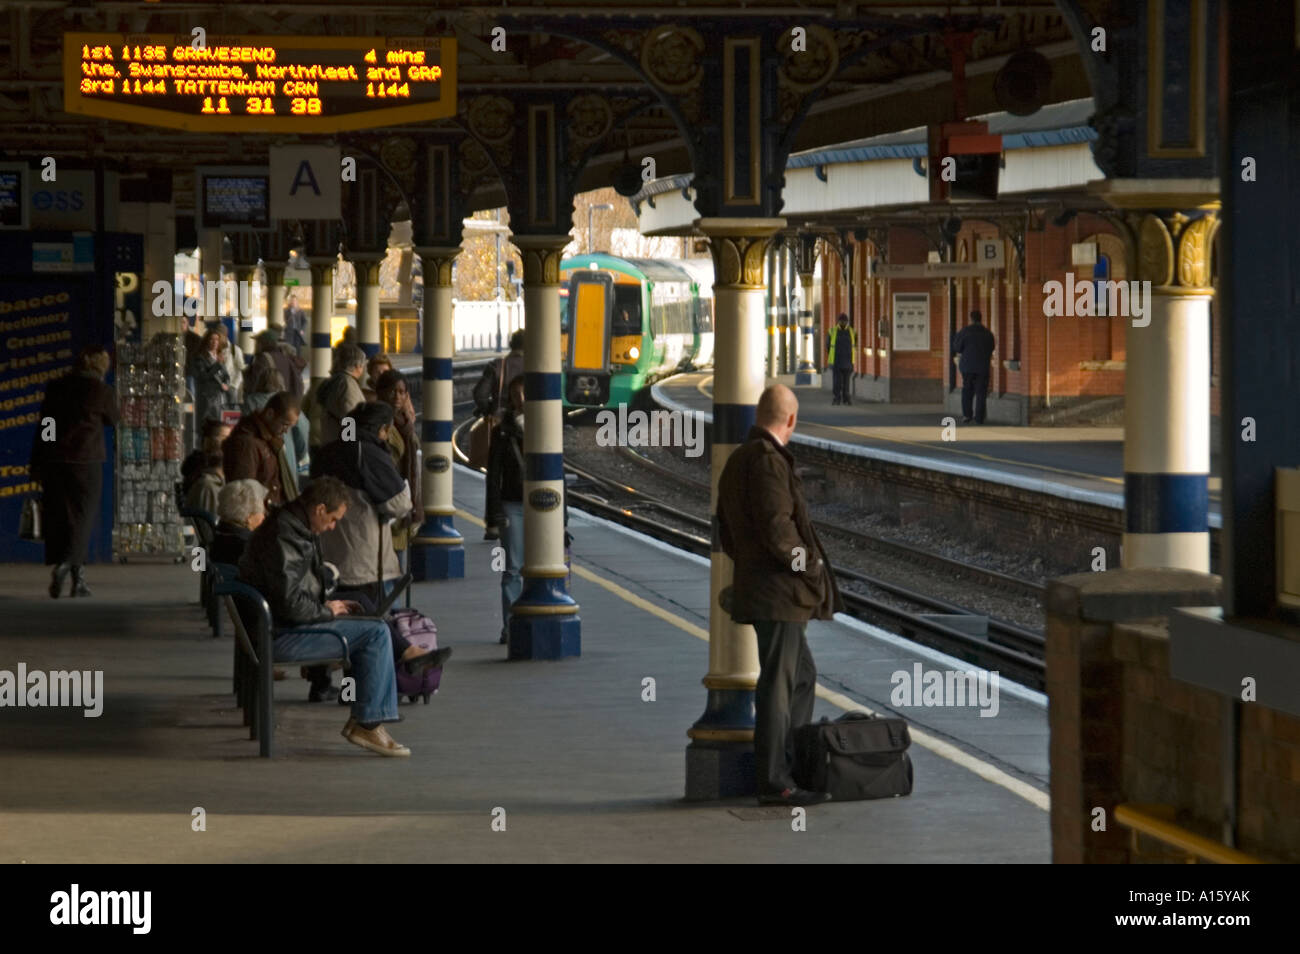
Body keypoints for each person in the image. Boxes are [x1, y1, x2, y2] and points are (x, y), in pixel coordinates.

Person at [716, 384, 843, 807]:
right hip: (780, 596)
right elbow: (778, 532)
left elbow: (727, 532)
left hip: (766, 591)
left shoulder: (738, 459)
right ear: (790, 420)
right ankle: (775, 781)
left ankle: (790, 762)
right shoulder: (768, 463)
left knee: (800, 676)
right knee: (777, 685)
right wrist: (807, 566)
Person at [236, 476, 411, 756]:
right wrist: (326, 611)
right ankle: (368, 723)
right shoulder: (286, 536)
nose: (332, 527)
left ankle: (368, 717)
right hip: (278, 635)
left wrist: (328, 604)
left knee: (370, 624)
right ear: (319, 509)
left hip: (269, 626)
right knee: (376, 633)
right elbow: (290, 604)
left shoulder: (290, 527)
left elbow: (288, 591)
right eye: (332, 519)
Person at [29, 346, 120, 599]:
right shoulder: (101, 391)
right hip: (86, 461)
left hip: (56, 460)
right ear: (101, 366)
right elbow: (114, 419)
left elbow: (46, 424)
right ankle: (67, 567)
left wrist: (42, 458)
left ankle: (77, 578)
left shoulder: (56, 387)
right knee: (83, 518)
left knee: (60, 516)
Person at [315, 401, 412, 608]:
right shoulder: (369, 454)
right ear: (382, 429)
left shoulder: (326, 452)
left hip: (329, 557)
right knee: (372, 621)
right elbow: (400, 504)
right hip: (364, 562)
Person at [485, 375, 526, 645]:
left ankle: (527, 619)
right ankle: (511, 626)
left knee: (540, 567)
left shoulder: (548, 425)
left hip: (543, 508)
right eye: (515, 395)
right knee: (512, 568)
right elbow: (493, 474)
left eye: (525, 393)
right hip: (512, 504)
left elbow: (558, 472)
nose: (520, 400)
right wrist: (494, 513)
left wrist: (563, 517)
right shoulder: (502, 431)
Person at [473, 329, 524, 541]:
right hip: (527, 424)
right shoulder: (538, 367)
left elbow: (479, 394)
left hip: (501, 424)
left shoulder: (498, 365)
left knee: (495, 474)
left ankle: (493, 523)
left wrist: (489, 411)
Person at [223, 392, 300, 506]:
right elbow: (244, 495)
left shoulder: (269, 441)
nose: (286, 431)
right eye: (284, 424)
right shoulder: (247, 444)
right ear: (270, 414)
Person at [374, 369, 421, 551]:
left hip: (403, 495)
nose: (397, 397)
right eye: (392, 391)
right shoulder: (375, 422)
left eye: (402, 392)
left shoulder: (406, 423)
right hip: (386, 497)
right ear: (381, 392)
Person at [306, 342, 366, 456]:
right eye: (362, 366)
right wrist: (351, 448)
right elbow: (350, 418)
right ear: (357, 366)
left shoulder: (333, 381)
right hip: (341, 449)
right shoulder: (347, 384)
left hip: (328, 441)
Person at [951, 309, 996, 425]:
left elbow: (957, 347)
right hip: (982, 366)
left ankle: (967, 415)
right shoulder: (987, 333)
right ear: (981, 319)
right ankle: (979, 417)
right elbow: (992, 347)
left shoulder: (965, 332)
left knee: (967, 390)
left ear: (971, 319)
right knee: (981, 392)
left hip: (967, 367)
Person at [211, 478, 267, 565]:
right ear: (249, 517)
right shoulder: (254, 549)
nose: (264, 517)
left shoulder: (214, 540)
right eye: (262, 512)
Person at [188, 329, 231, 425]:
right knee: (207, 425)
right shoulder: (200, 358)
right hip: (207, 398)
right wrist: (217, 365)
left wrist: (226, 384)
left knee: (220, 425)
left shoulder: (220, 357)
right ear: (207, 341)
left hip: (220, 398)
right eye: (212, 339)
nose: (215, 342)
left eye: (217, 339)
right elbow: (204, 376)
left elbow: (226, 375)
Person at [250, 329, 306, 400]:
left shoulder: (263, 358)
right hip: (287, 400)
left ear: (263, 343)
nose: (255, 345)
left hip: (270, 401)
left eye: (257, 342)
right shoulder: (284, 356)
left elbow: (253, 383)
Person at [213, 321, 247, 405]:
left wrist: (234, 386)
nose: (217, 340)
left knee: (231, 412)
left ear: (225, 336)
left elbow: (241, 369)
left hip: (231, 388)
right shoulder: (213, 349)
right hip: (216, 388)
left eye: (219, 337)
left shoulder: (234, 350)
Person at [827, 312, 856, 406]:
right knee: (837, 382)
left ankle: (846, 397)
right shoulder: (832, 331)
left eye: (844, 321)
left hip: (848, 361)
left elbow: (855, 344)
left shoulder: (852, 331)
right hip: (836, 361)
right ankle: (837, 398)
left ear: (847, 322)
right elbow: (828, 346)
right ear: (838, 322)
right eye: (841, 321)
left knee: (846, 382)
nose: (843, 323)